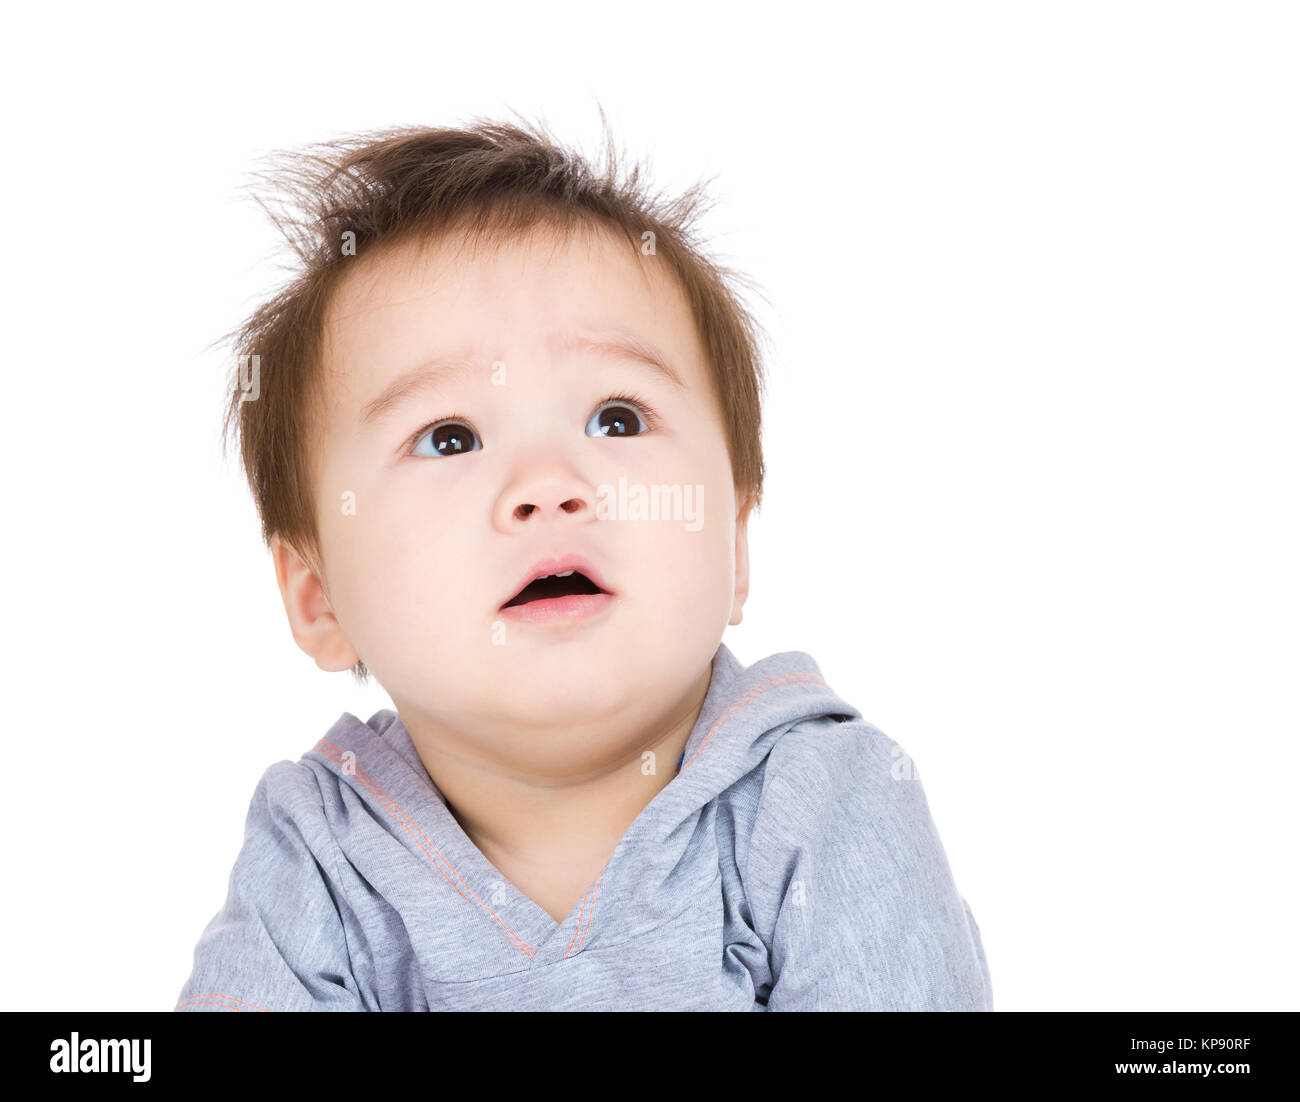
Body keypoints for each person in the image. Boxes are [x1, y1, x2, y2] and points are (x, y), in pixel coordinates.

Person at [176, 115, 993, 1011]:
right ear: (318, 597)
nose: (549, 486)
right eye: (449, 439)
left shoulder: (824, 806)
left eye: (618, 418)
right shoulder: (322, 858)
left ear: (733, 543)